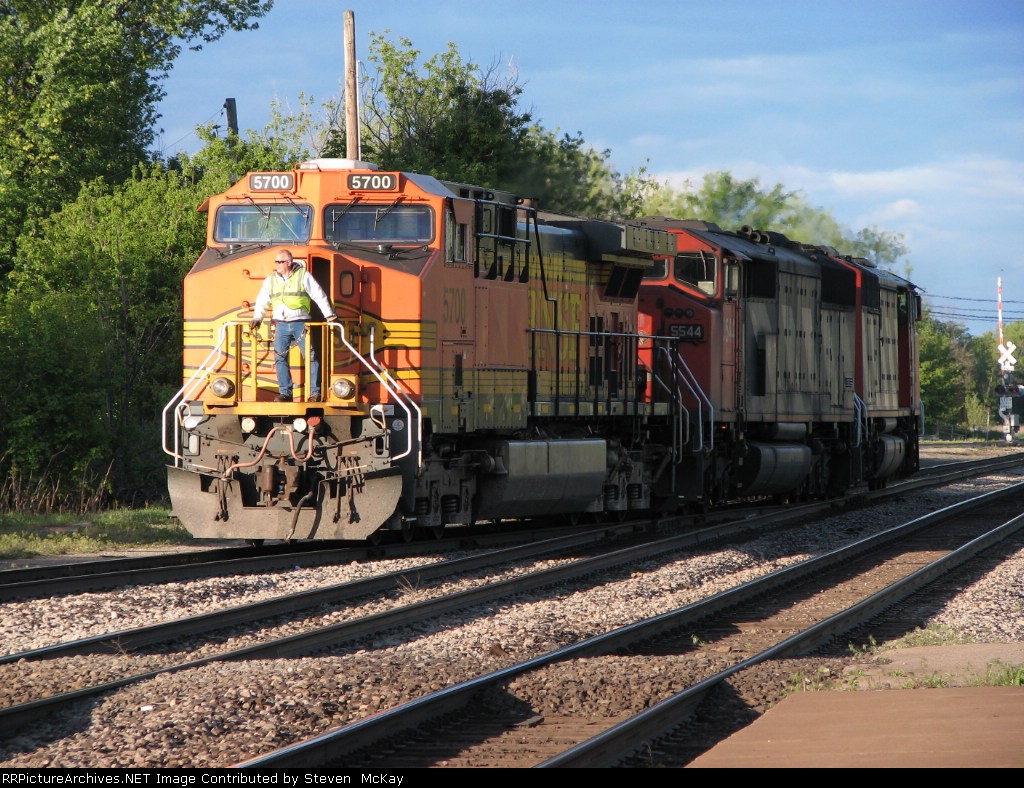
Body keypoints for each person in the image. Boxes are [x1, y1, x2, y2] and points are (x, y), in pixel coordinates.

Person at [249, 250, 338, 402]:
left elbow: (319, 295)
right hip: (281, 325)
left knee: (311, 357)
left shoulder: (303, 276)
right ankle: (285, 393)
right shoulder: (271, 280)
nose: (277, 265)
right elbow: (262, 299)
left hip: (301, 323)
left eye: (280, 262)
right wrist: (257, 318)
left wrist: (330, 316)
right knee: (280, 358)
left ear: (289, 262)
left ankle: (315, 393)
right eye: (276, 262)